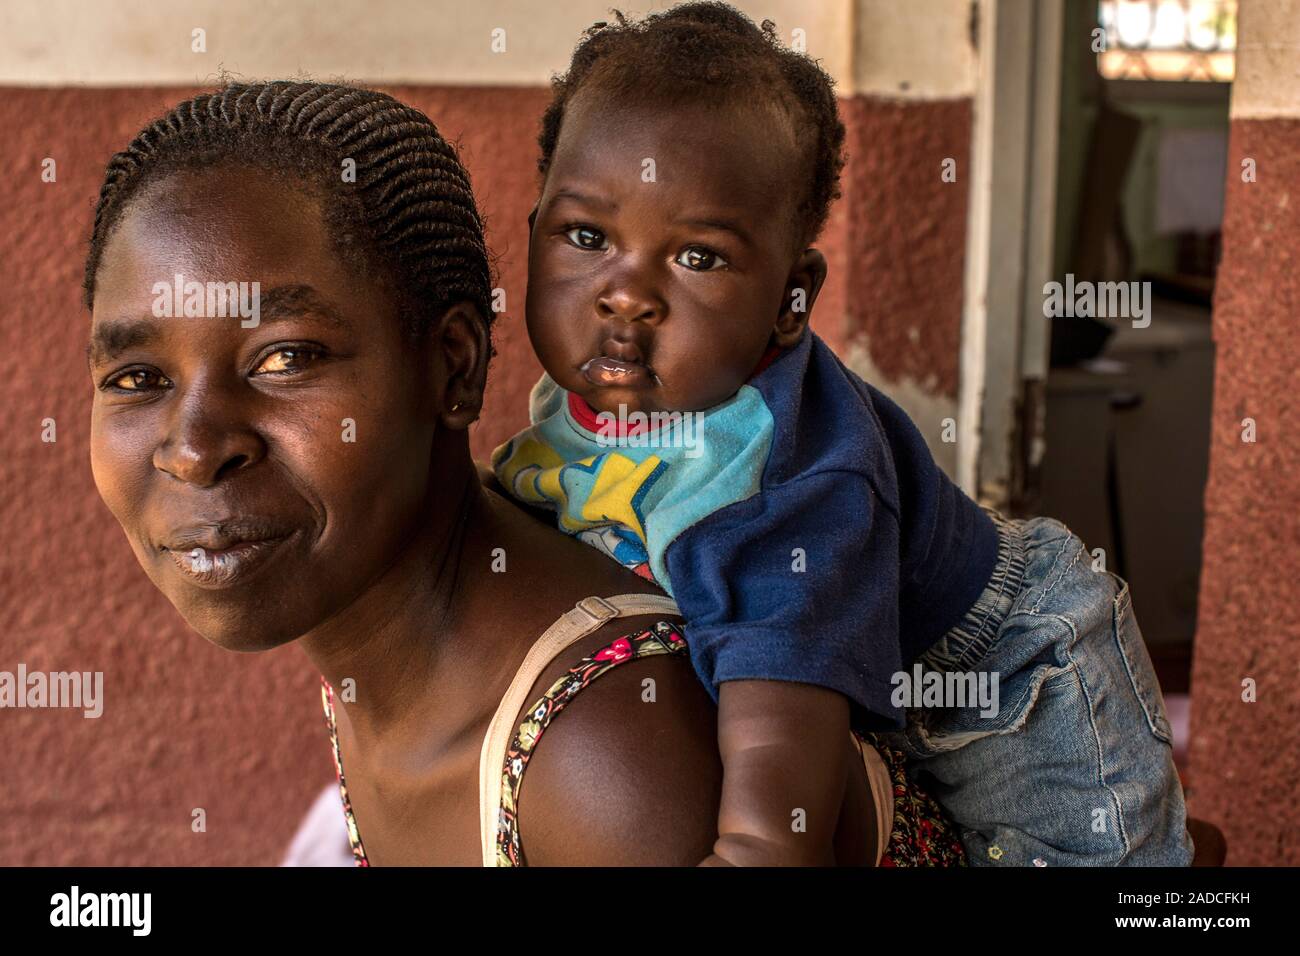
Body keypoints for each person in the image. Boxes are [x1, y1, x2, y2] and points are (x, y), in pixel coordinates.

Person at [83, 80, 963, 866]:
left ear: (456, 367)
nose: (194, 449)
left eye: (285, 359)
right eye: (136, 379)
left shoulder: (605, 755)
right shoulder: (381, 652)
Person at [491, 2, 1194, 866]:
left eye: (698, 256)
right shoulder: (582, 406)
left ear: (792, 299)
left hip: (1013, 688)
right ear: (532, 240)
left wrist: (752, 847)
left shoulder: (784, 481)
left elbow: (781, 716)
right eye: (587, 236)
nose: (626, 292)